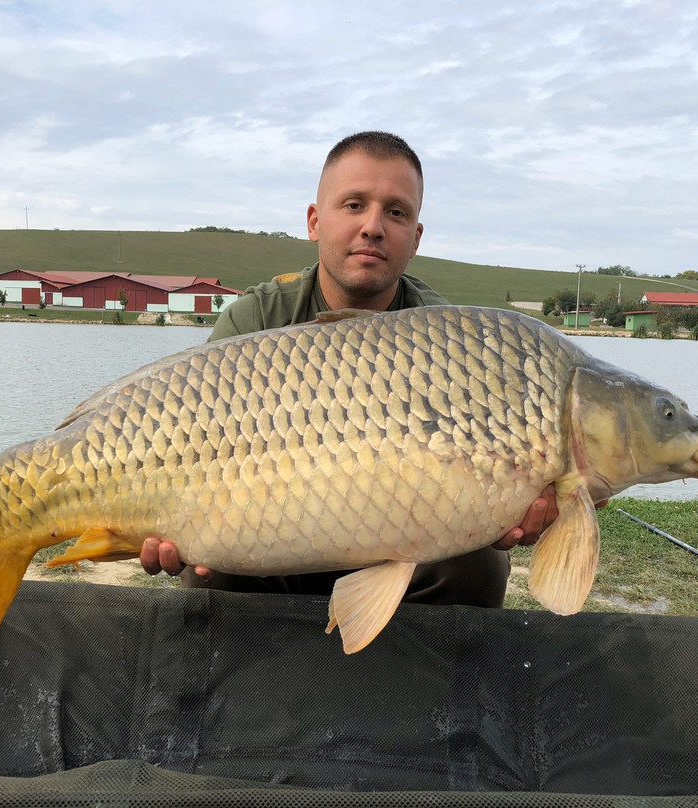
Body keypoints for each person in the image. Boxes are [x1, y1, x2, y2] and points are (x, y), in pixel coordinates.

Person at [140, 131, 560, 608]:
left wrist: (510, 502)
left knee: (479, 565)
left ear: (416, 238)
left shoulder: (451, 339)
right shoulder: (255, 319)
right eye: (354, 205)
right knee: (206, 566)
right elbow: (193, 442)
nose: (373, 227)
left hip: (401, 541)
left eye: (396, 212)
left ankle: (408, 680)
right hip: (271, 539)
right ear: (315, 221)